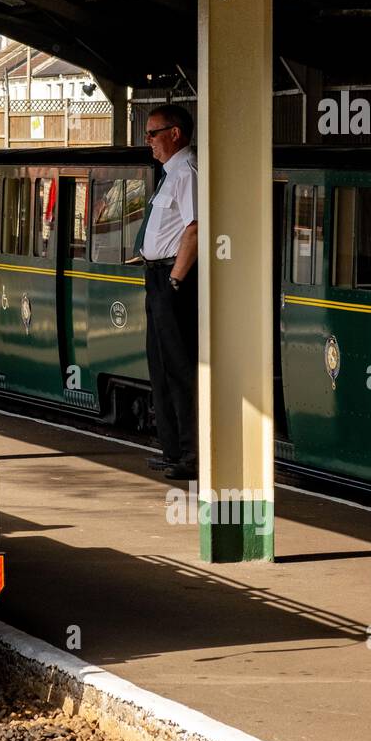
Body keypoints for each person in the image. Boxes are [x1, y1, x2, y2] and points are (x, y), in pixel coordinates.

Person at [137, 103, 198, 481]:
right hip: (157, 277)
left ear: (175, 133)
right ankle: (172, 450)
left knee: (180, 370)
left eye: (153, 134)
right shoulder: (169, 174)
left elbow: (195, 228)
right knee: (160, 368)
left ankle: (192, 456)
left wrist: (175, 280)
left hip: (173, 280)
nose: (149, 143)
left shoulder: (187, 171)